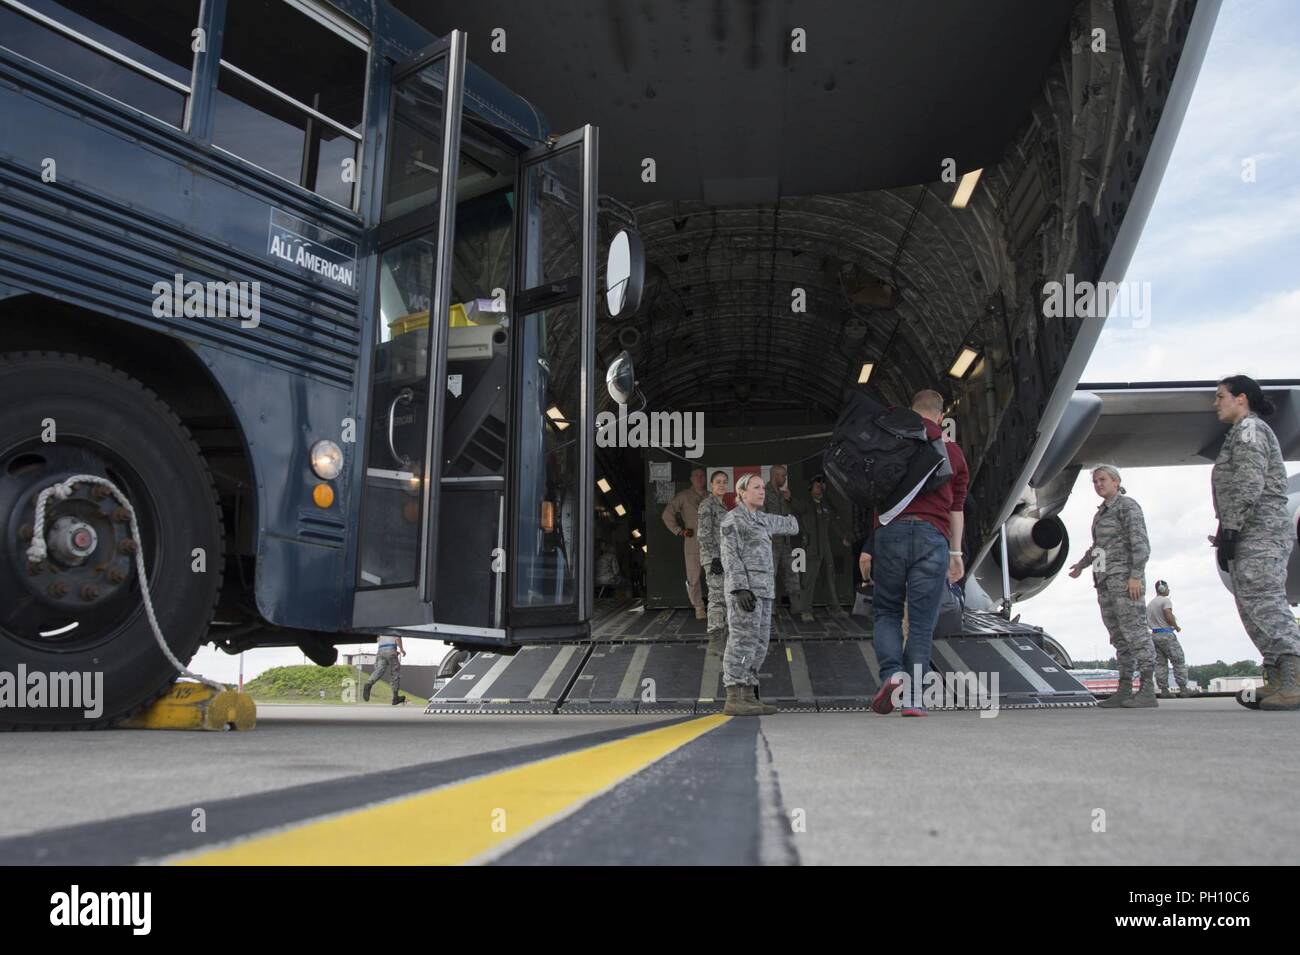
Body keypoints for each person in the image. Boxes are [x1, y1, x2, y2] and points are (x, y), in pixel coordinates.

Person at [865, 389, 969, 716]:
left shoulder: (892, 440)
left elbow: (873, 490)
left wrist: (869, 545)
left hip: (891, 534)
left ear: (911, 411)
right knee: (922, 624)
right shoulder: (952, 451)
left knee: (887, 612)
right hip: (933, 538)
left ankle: (891, 673)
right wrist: (956, 552)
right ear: (940, 417)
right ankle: (913, 698)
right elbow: (957, 509)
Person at [1210, 375, 1300, 711]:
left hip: (1260, 531)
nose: (1216, 403)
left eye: (1221, 396)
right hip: (1248, 529)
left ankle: (1294, 678)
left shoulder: (1250, 430)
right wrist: (1227, 532)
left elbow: (1249, 481)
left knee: (1265, 601)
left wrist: (1231, 528)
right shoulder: (1239, 433)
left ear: (1241, 398)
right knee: (1251, 606)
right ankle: (1278, 678)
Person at [1068, 465, 1156, 708]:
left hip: (1125, 581)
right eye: (1095, 481)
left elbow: (1140, 544)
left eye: (1102, 480)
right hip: (1105, 582)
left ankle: (1148, 689)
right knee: (1119, 637)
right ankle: (1125, 689)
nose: (1098, 484)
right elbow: (1098, 547)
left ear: (1116, 481)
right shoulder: (1100, 514)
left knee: (1135, 633)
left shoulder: (1127, 506)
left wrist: (1135, 576)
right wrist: (1081, 565)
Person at [720, 472, 800, 715]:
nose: (761, 491)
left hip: (765, 592)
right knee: (742, 641)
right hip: (745, 593)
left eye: (762, 488)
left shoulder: (763, 519)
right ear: (742, 493)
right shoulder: (733, 520)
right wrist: (740, 587)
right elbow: (730, 556)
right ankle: (734, 695)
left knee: (759, 643)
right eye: (755, 488)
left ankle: (749, 695)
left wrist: (787, 501)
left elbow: (792, 526)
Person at [792, 473, 851, 620]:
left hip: (825, 547)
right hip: (811, 547)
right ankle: (806, 610)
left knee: (830, 578)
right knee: (808, 579)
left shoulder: (826, 505)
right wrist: (788, 497)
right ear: (810, 488)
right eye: (818, 486)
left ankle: (835, 608)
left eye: (822, 486)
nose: (820, 488)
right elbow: (795, 506)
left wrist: (842, 537)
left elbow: (833, 523)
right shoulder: (806, 503)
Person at [661, 467, 708, 619]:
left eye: (702, 476)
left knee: (716, 575)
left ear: (706, 479)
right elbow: (667, 514)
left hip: (711, 542)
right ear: (691, 479)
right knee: (693, 576)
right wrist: (679, 531)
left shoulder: (711, 496)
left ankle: (716, 607)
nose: (699, 479)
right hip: (692, 542)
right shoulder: (684, 496)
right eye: (696, 476)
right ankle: (699, 608)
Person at [696, 470, 731, 639]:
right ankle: (715, 630)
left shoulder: (723, 506)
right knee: (716, 594)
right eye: (718, 482)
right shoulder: (707, 505)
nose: (722, 485)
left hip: (723, 557)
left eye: (724, 482)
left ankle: (721, 626)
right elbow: (703, 535)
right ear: (711, 485)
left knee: (724, 593)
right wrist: (714, 558)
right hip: (713, 558)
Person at [763, 464, 803, 611]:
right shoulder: (764, 493)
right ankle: (770, 610)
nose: (785, 479)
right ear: (775, 476)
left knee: (793, 574)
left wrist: (789, 499)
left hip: (786, 542)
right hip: (771, 543)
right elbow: (762, 518)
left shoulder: (783, 494)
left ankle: (797, 607)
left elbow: (793, 515)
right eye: (783, 476)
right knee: (769, 576)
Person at [1146, 579, 1191, 697]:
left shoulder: (1150, 604)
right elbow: (1168, 614)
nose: (1169, 590)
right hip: (1166, 634)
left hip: (1154, 635)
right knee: (1178, 660)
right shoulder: (1165, 601)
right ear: (1162, 589)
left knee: (1160, 663)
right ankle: (1183, 689)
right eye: (1167, 588)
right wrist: (1176, 626)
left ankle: (1164, 690)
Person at [363, 634, 406, 705]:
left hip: (380, 650)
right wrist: (401, 650)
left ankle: (368, 684)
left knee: (380, 669)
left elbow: (378, 639)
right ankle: (395, 698)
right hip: (391, 649)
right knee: (395, 672)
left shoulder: (382, 628)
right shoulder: (395, 626)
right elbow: (397, 638)